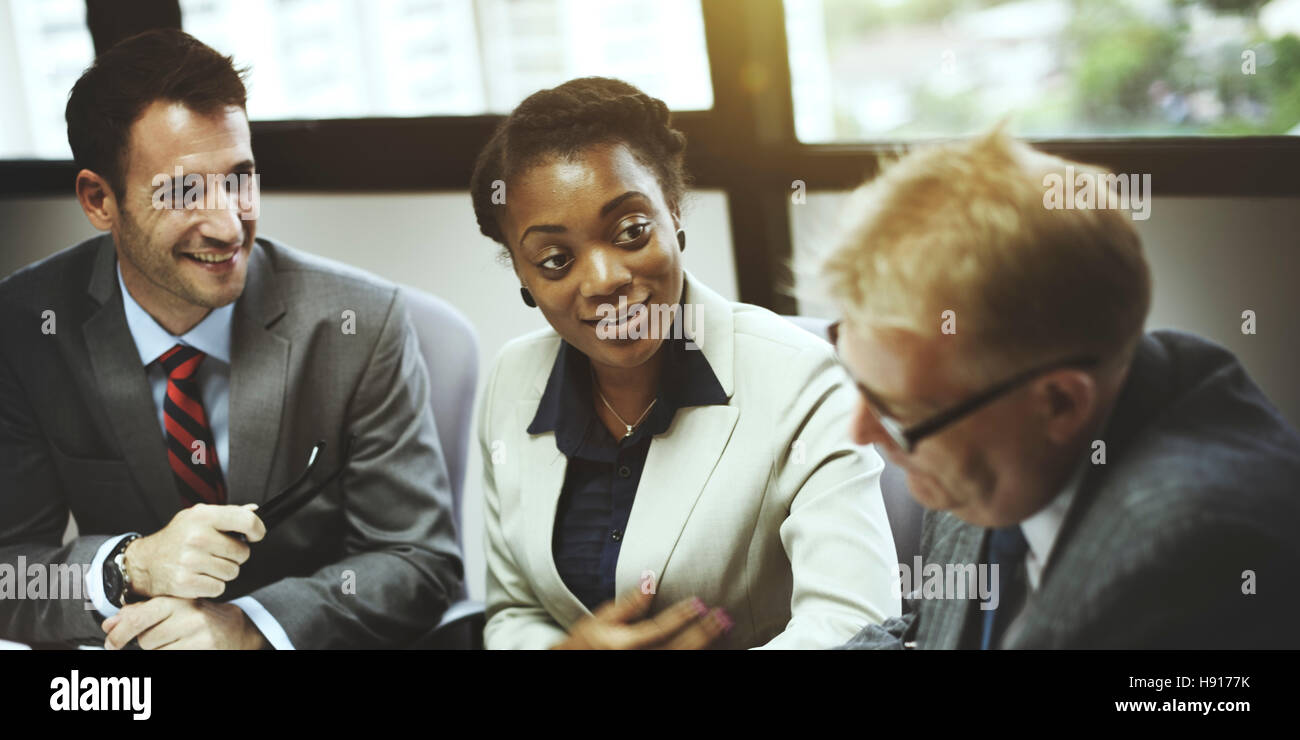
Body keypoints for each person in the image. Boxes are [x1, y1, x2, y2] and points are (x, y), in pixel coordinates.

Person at [0, 29, 462, 649]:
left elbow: (417, 563)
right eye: (183, 191)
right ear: (99, 199)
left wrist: (248, 629)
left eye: (240, 179)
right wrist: (128, 565)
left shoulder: (360, 323)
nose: (226, 224)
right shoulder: (25, 328)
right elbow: (9, 575)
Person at [824, 128, 1300, 649]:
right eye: (858, 382)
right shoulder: (985, 428)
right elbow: (929, 633)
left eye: (899, 410)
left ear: (1059, 404)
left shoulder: (1196, 565)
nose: (860, 431)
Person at [470, 77, 900, 649]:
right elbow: (513, 611)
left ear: (673, 212)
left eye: (630, 231)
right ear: (524, 278)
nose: (604, 280)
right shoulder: (512, 379)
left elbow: (855, 624)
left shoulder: (801, 377)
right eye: (555, 259)